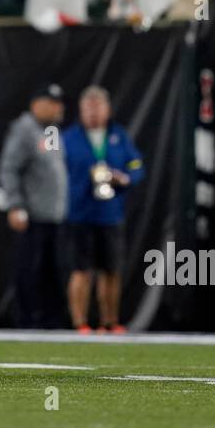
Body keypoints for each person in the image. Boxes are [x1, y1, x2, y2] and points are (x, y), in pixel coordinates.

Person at [62, 86, 145, 333]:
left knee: (111, 271)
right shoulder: (68, 138)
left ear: (107, 110)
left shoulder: (118, 136)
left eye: (98, 108)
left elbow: (137, 164)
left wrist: (125, 177)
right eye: (88, 108)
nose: (93, 114)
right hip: (80, 213)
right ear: (81, 110)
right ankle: (80, 322)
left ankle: (110, 321)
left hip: (110, 214)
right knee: (81, 271)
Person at [1, 84, 69, 329]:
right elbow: (9, 169)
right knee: (29, 270)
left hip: (53, 215)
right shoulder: (25, 128)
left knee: (52, 272)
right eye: (53, 103)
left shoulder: (51, 130)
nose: (59, 108)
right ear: (37, 104)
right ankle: (26, 320)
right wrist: (16, 205)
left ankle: (50, 321)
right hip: (32, 215)